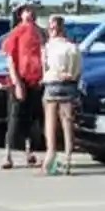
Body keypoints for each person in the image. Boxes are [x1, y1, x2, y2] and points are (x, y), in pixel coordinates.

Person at [1, 4, 44, 170]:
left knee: (33, 118)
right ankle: (8, 154)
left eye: (32, 11)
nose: (30, 14)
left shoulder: (40, 33)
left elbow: (44, 55)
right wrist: (17, 83)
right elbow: (10, 59)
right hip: (19, 80)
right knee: (15, 117)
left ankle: (30, 151)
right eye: (27, 11)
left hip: (36, 81)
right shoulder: (16, 32)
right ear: (20, 14)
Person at [40, 15, 81, 176]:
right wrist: (71, 75)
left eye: (52, 28)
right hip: (68, 85)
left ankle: (51, 155)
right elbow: (78, 70)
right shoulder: (72, 47)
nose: (51, 30)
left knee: (50, 123)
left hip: (52, 84)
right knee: (67, 122)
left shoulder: (48, 47)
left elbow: (45, 67)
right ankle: (67, 158)